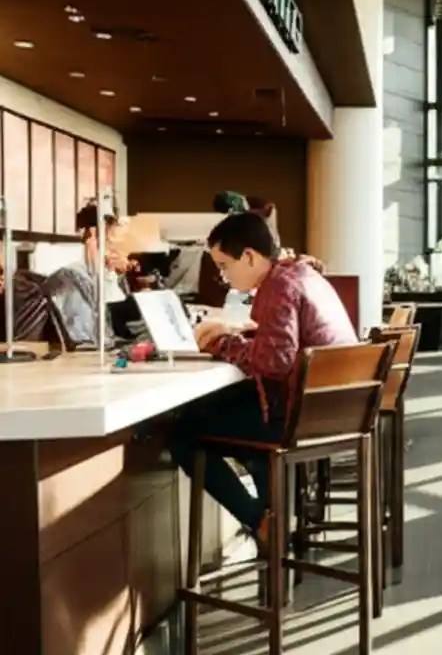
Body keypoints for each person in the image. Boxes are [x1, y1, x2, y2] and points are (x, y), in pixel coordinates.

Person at [166, 212, 357, 546]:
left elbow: (275, 361)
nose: (222, 277)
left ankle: (262, 523)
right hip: (335, 409)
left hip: (300, 417)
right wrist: (246, 338)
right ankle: (275, 520)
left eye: (224, 266)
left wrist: (221, 342)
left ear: (250, 256)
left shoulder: (278, 286)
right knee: (238, 418)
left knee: (182, 430)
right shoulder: (300, 274)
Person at [44, 204, 133, 347]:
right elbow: (83, 334)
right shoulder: (70, 276)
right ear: (92, 234)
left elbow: (116, 318)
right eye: (108, 239)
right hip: (86, 350)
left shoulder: (108, 274)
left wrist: (112, 274)